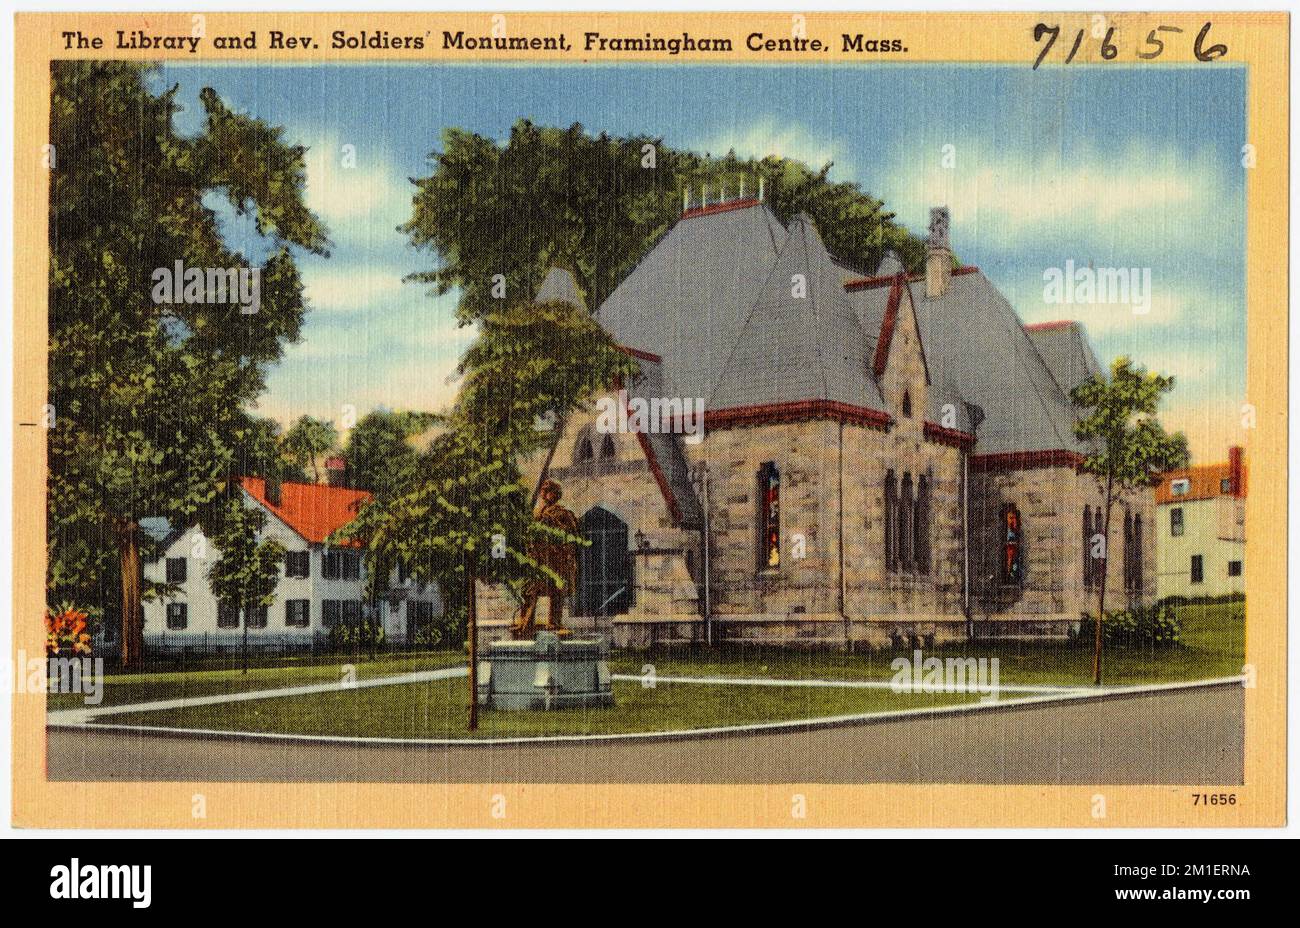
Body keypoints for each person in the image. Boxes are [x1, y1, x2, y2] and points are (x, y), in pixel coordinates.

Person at [512, 479, 579, 638]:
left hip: (556, 561)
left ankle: (554, 623)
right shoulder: (536, 512)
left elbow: (572, 535)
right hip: (538, 560)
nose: (544, 494)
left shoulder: (564, 513)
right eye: (543, 490)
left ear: (555, 494)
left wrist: (551, 521)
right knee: (529, 591)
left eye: (547, 490)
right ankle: (526, 623)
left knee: (556, 593)